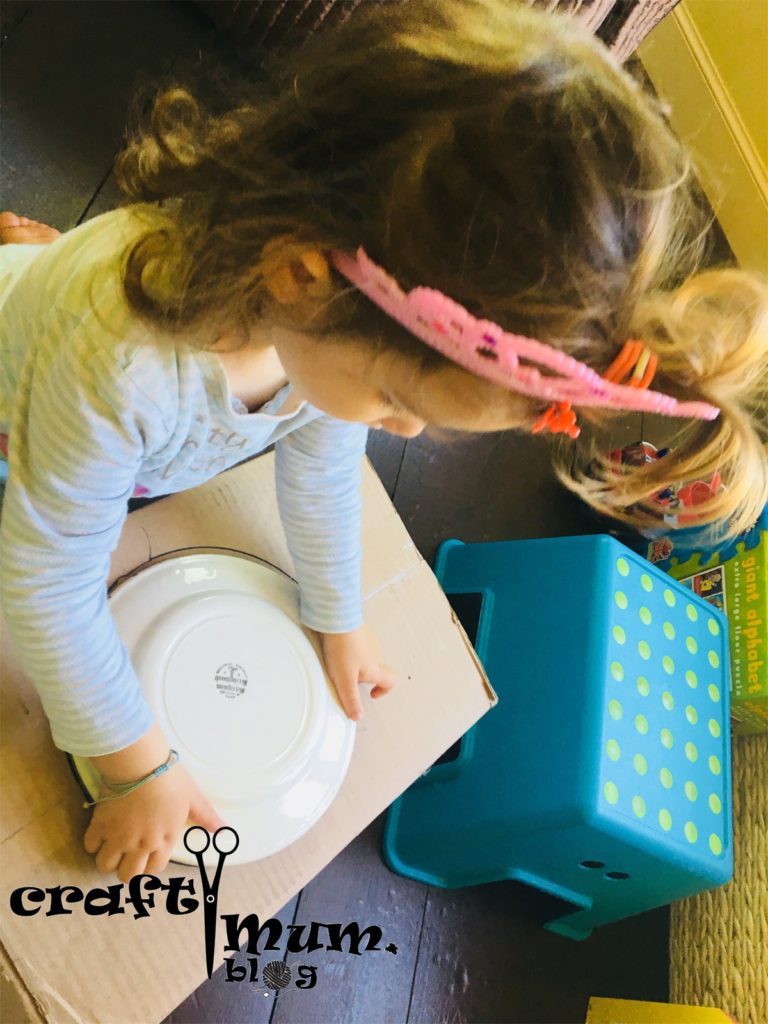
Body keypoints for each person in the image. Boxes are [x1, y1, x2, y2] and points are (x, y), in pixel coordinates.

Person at [1, 0, 765, 884]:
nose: (399, 431)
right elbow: (49, 582)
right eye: (400, 401)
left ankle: (38, 267)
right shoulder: (122, 365)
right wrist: (139, 766)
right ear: (300, 274)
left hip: (123, 421)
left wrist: (337, 611)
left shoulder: (316, 315)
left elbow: (324, 461)